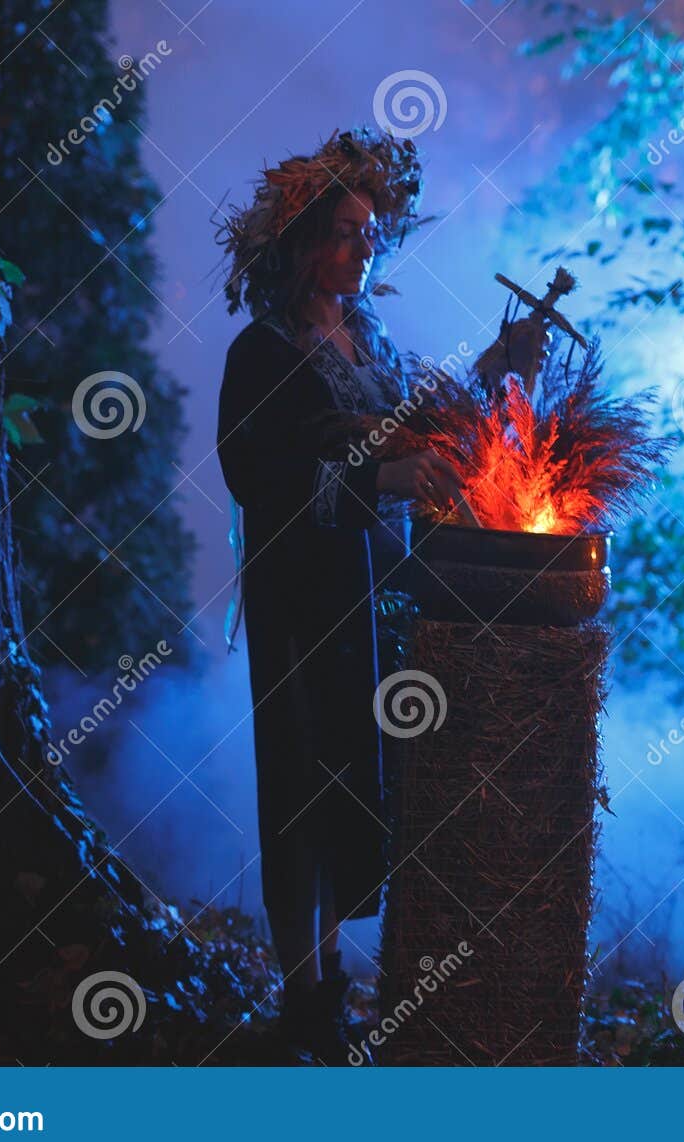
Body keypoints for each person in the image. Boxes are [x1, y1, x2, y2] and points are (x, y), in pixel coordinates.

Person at [213, 127, 465, 1061]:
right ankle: (304, 995)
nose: (369, 248)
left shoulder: (370, 336)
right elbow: (262, 481)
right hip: (304, 595)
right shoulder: (262, 352)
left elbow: (409, 429)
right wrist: (380, 486)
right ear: (302, 243)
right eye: (350, 232)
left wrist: (490, 383)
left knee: (364, 771)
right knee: (302, 772)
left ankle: (346, 978)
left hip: (379, 590)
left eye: (372, 232)